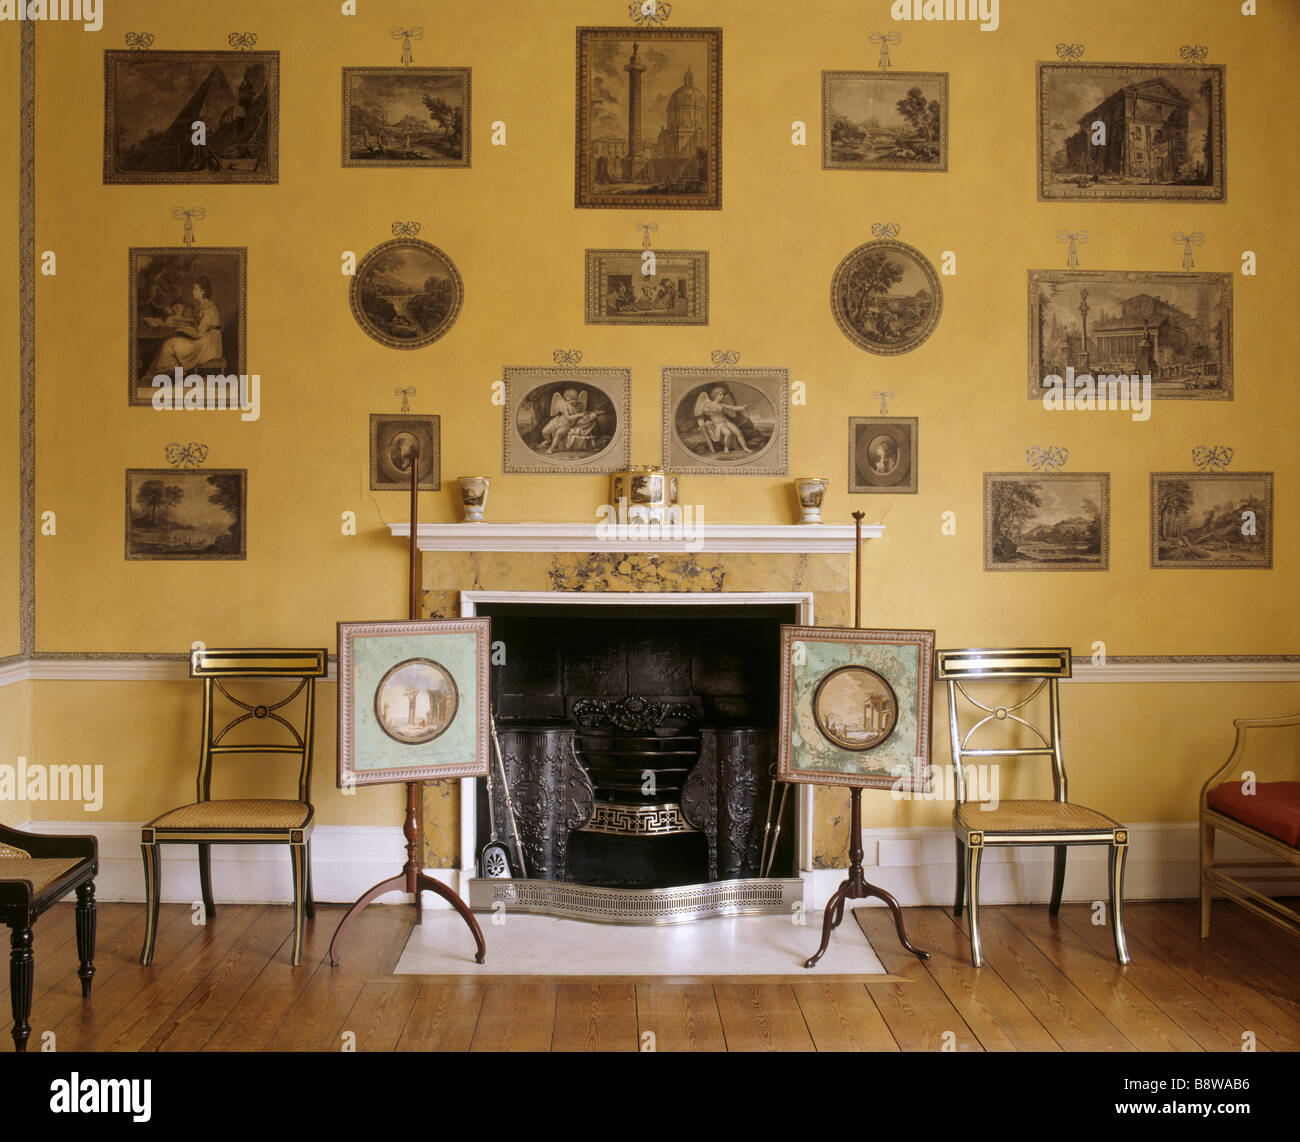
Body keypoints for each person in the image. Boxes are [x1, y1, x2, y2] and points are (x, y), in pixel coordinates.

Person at [144, 277, 223, 377]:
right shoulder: (202, 307)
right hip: (204, 340)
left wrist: (185, 330)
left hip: (209, 345)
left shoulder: (208, 309)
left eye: (195, 289)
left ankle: (157, 374)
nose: (192, 291)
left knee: (170, 344)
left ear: (203, 291)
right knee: (171, 343)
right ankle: (169, 373)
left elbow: (198, 333)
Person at [693, 386, 751, 453]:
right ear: (716, 395)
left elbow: (733, 408)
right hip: (719, 424)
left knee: (738, 432)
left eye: (723, 395)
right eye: (721, 395)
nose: (723, 396)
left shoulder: (722, 405)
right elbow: (703, 409)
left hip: (726, 421)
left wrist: (743, 407)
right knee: (728, 434)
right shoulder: (709, 404)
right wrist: (712, 409)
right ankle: (726, 449)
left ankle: (745, 448)